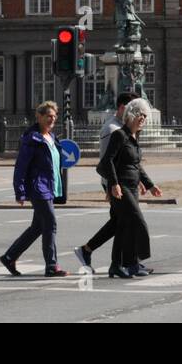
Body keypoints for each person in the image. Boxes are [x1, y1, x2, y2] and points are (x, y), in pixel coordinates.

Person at [0, 101, 68, 278]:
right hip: (39, 188)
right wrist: (20, 191)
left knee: (37, 227)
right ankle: (51, 266)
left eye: (54, 116)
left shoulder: (52, 138)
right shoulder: (32, 139)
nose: (52, 119)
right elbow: (21, 167)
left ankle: (9, 256)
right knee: (51, 224)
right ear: (39, 117)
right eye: (48, 116)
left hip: (49, 187)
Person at [97, 98, 161, 278]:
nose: (143, 120)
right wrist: (113, 184)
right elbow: (106, 161)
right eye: (140, 115)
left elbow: (136, 165)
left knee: (124, 227)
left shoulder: (134, 137)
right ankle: (132, 261)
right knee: (138, 223)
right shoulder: (119, 135)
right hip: (121, 187)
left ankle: (118, 266)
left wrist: (150, 185)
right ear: (131, 115)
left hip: (132, 187)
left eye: (145, 117)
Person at [75, 93, 131, 274]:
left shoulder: (122, 127)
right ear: (122, 108)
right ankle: (125, 262)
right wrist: (109, 185)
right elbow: (106, 160)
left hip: (121, 182)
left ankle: (88, 250)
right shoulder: (112, 129)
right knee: (126, 221)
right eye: (133, 109)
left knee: (119, 222)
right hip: (115, 183)